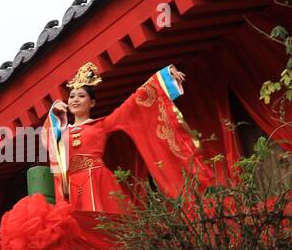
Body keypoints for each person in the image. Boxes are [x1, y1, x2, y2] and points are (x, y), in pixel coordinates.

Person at [44, 62, 210, 213]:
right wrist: (54, 115)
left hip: (96, 180)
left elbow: (133, 104)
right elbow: (50, 145)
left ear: (92, 103)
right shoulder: (61, 130)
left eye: (81, 96)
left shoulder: (102, 125)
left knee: (103, 224)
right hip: (70, 185)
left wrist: (165, 77)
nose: (75, 100)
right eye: (72, 96)